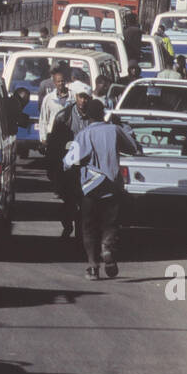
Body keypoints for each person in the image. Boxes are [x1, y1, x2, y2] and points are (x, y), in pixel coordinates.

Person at [63, 98, 138, 280]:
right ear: (104, 113)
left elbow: (68, 162)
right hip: (112, 186)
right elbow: (133, 148)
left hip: (90, 187)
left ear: (87, 115)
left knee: (88, 227)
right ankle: (106, 248)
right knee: (110, 224)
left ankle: (93, 266)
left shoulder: (83, 134)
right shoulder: (114, 130)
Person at [46, 81, 92, 239]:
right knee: (68, 201)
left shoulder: (94, 117)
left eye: (86, 98)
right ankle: (67, 224)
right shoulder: (63, 117)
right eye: (81, 97)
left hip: (87, 167)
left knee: (84, 202)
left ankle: (80, 232)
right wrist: (53, 168)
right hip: (68, 167)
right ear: (76, 97)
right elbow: (54, 145)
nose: (83, 101)